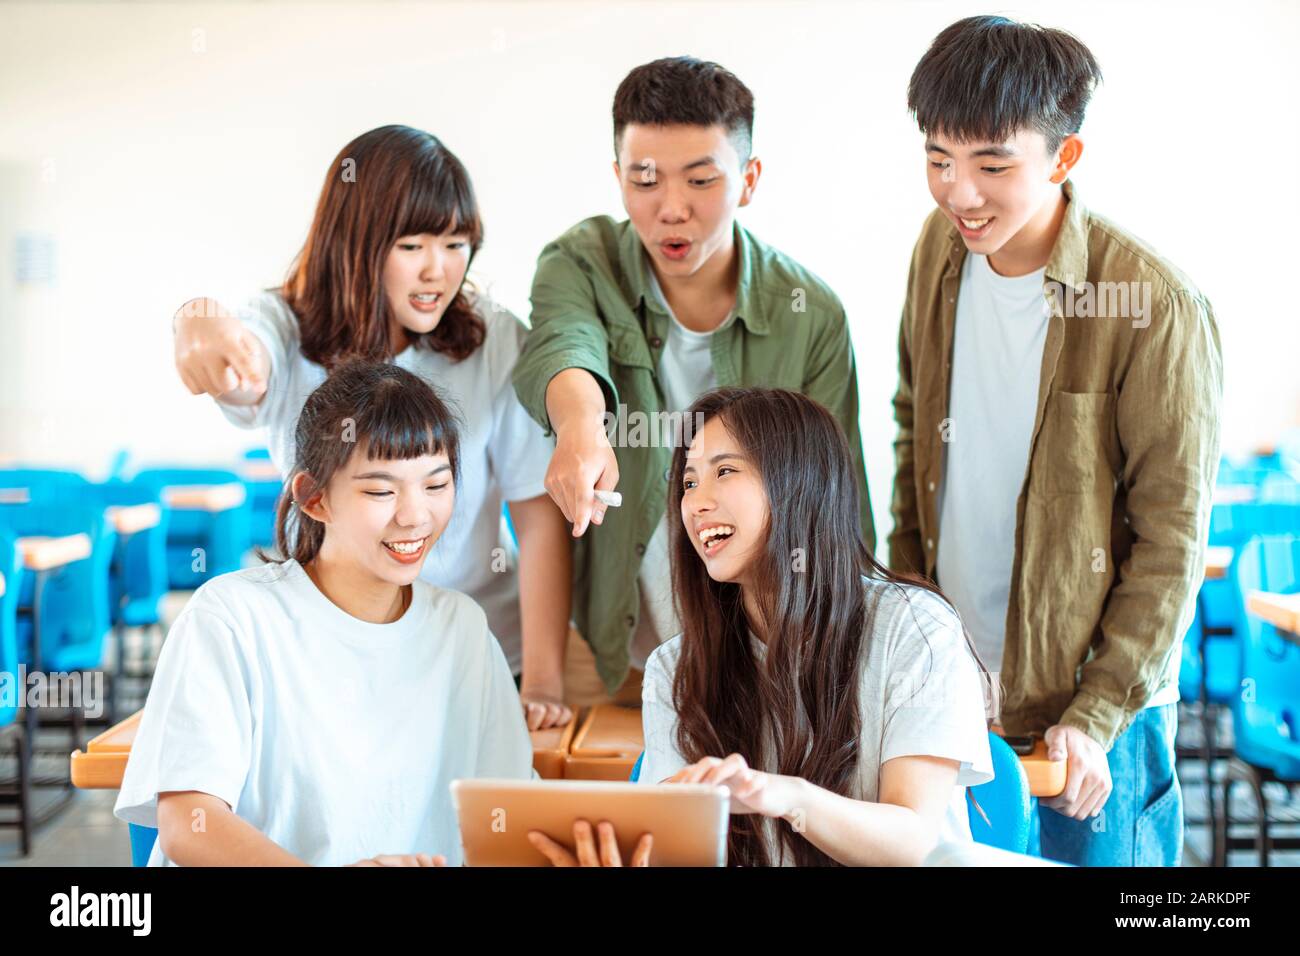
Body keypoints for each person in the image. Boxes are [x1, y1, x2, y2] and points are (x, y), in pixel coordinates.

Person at [891, 15, 1222, 865]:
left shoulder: (1152, 303)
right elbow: (910, 433)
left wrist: (1098, 712)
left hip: (1093, 717)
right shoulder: (938, 251)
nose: (960, 194)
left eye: (993, 165)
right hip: (955, 696)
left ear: (1063, 157)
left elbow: (1171, 541)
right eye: (938, 159)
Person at [171, 125, 573, 730]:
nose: (440, 271)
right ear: (356, 243)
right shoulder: (286, 326)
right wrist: (195, 319)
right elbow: (240, 364)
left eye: (457, 244)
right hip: (326, 655)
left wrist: (543, 680)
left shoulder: (491, 338)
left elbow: (537, 514)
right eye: (412, 245)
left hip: (481, 650)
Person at [512, 57, 875, 705]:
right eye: (644, 180)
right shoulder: (582, 262)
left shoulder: (809, 314)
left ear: (749, 179)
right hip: (613, 655)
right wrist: (579, 430)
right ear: (617, 176)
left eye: (702, 180)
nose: (671, 210)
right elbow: (565, 343)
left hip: (763, 662)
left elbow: (834, 508)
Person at [115, 360, 534, 866]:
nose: (415, 515)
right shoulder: (231, 617)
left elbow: (507, 814)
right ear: (314, 499)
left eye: (436, 484)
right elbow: (188, 824)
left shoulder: (462, 628)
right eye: (381, 490)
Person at [640, 387, 991, 866]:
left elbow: (915, 844)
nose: (696, 503)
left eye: (724, 471)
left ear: (798, 484)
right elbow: (673, 849)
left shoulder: (917, 628)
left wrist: (785, 797)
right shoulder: (673, 669)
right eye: (688, 482)